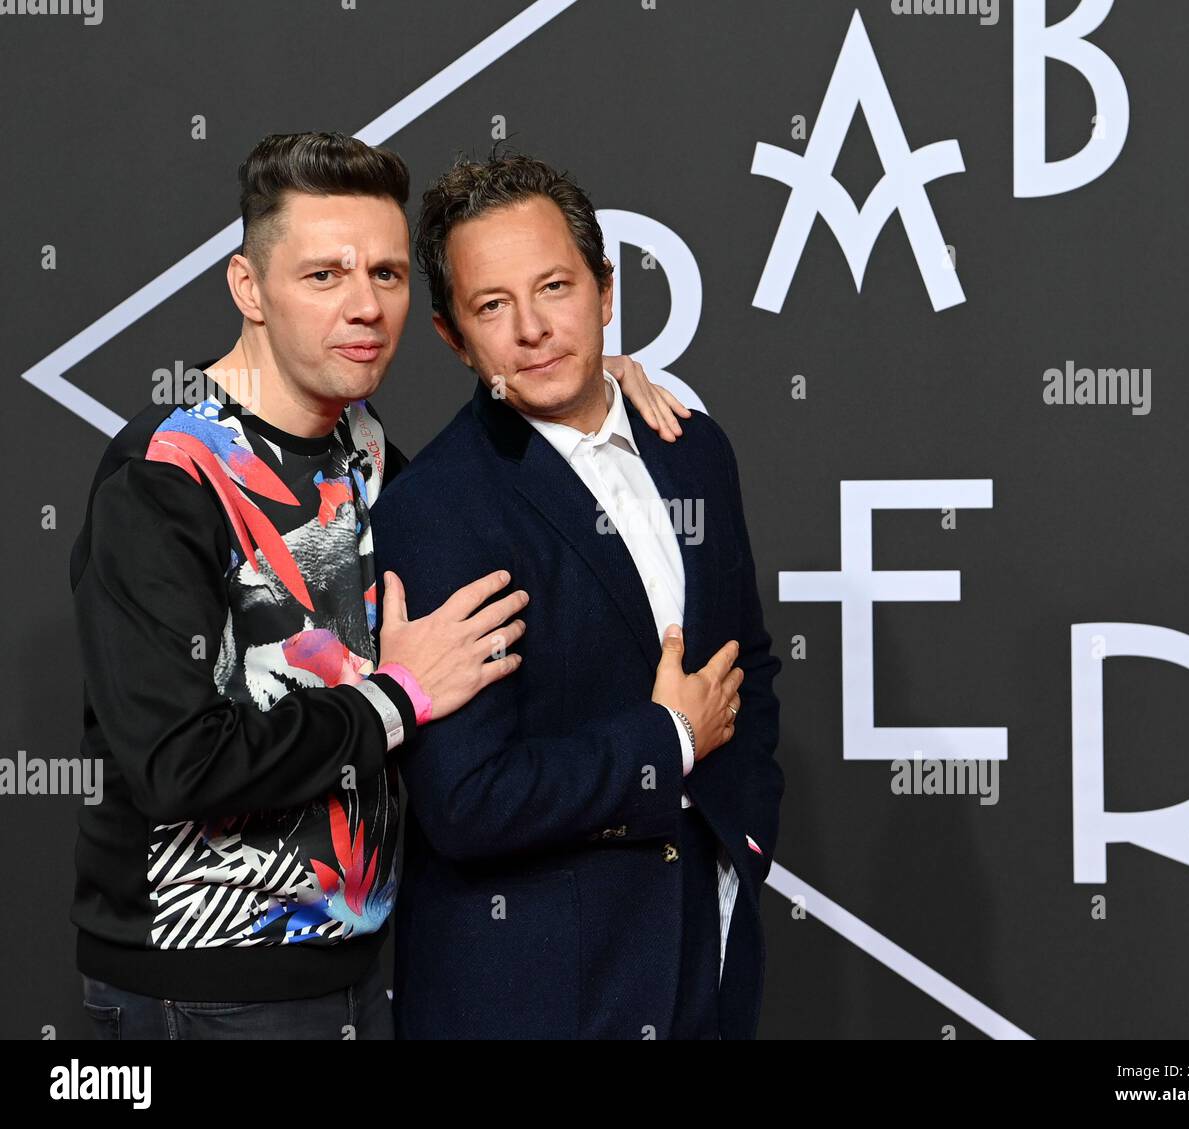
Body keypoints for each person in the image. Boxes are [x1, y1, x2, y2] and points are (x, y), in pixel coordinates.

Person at [70, 131, 688, 1040]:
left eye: (389, 276)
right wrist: (397, 694)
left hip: (365, 976)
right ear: (249, 287)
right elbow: (177, 764)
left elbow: (488, 461)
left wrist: (590, 391)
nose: (364, 307)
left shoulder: (363, 449)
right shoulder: (164, 475)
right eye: (324, 276)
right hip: (201, 990)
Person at [372, 152, 783, 1040]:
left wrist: (741, 842)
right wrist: (666, 738)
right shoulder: (438, 511)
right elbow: (467, 800)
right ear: (452, 335)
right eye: (492, 305)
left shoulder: (694, 449)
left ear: (604, 288)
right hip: (535, 993)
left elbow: (746, 660)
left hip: (703, 970)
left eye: (555, 286)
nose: (532, 328)